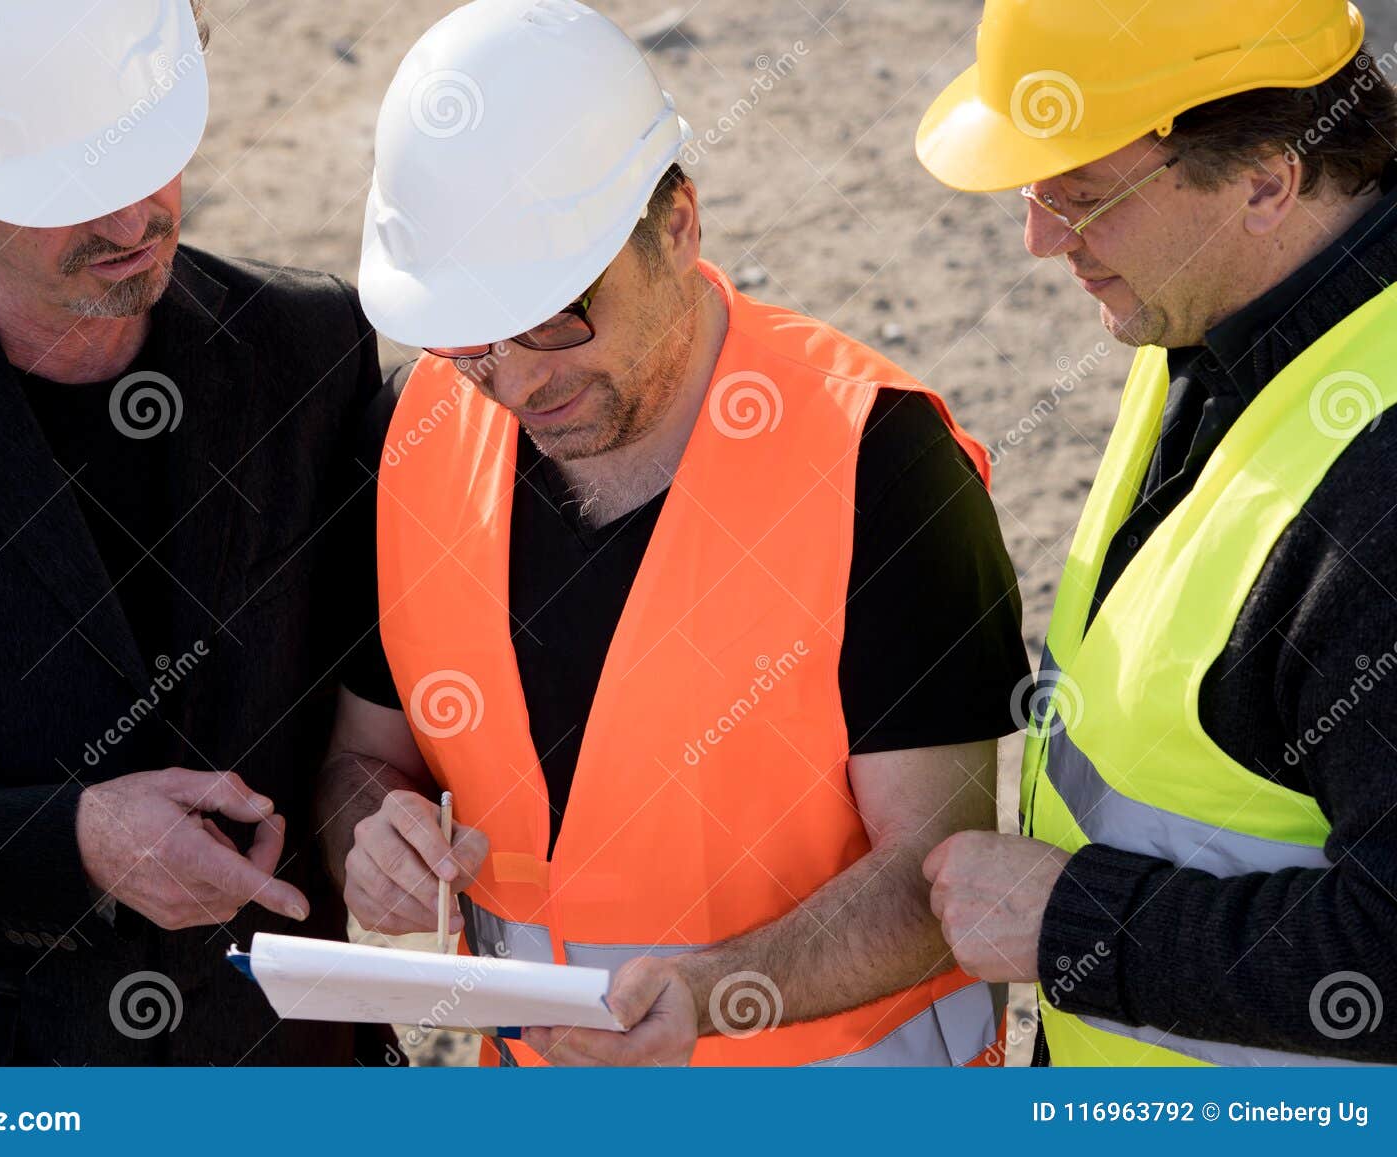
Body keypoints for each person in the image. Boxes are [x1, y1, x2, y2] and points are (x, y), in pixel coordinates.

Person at [318, 0, 1030, 1067]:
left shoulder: (875, 460)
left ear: (678, 225)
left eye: (557, 314)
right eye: (468, 337)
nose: (513, 379)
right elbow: (365, 758)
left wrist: (715, 993)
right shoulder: (415, 431)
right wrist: (371, 836)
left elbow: (940, 869)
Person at [0, 0, 387, 1065]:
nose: (129, 223)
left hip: (279, 1062)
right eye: (68, 193)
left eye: (146, 161)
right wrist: (71, 845)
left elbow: (370, 692)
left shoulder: (310, 350)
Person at [917, 0, 1397, 1064]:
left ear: (1268, 179)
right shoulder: (1223, 294)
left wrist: (1078, 924)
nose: (1040, 239)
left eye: (1081, 195)